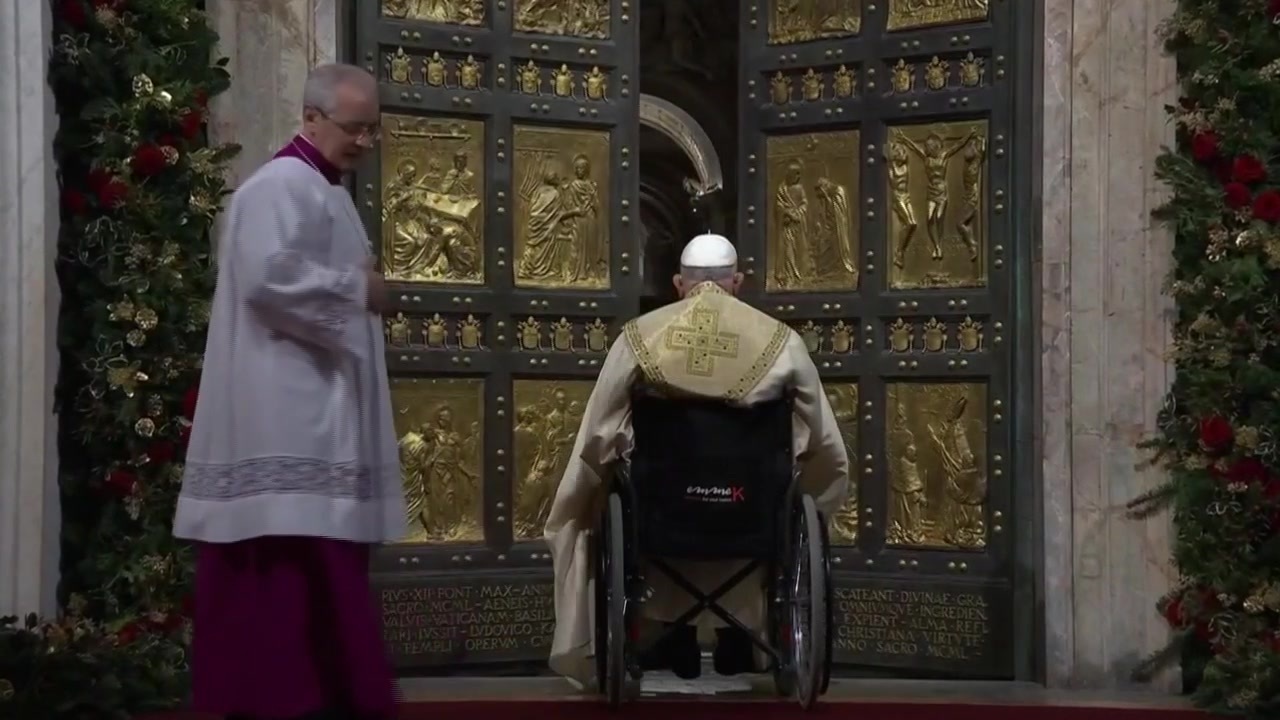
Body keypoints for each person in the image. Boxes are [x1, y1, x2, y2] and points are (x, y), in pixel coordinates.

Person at [173, 63, 404, 720]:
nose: (363, 141)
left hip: (319, 411)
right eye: (354, 127)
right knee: (290, 586)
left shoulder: (325, 190)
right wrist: (359, 288)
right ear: (310, 117)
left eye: (371, 130)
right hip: (286, 419)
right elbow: (269, 279)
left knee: (324, 579)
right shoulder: (277, 187)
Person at [544, 233, 850, 686]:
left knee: (625, 495)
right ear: (738, 283)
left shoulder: (639, 339)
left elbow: (598, 436)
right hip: (752, 517)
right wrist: (806, 488)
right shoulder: (781, 343)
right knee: (776, 493)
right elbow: (825, 445)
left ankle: (672, 637)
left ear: (678, 284)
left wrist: (585, 495)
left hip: (662, 518)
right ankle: (740, 641)